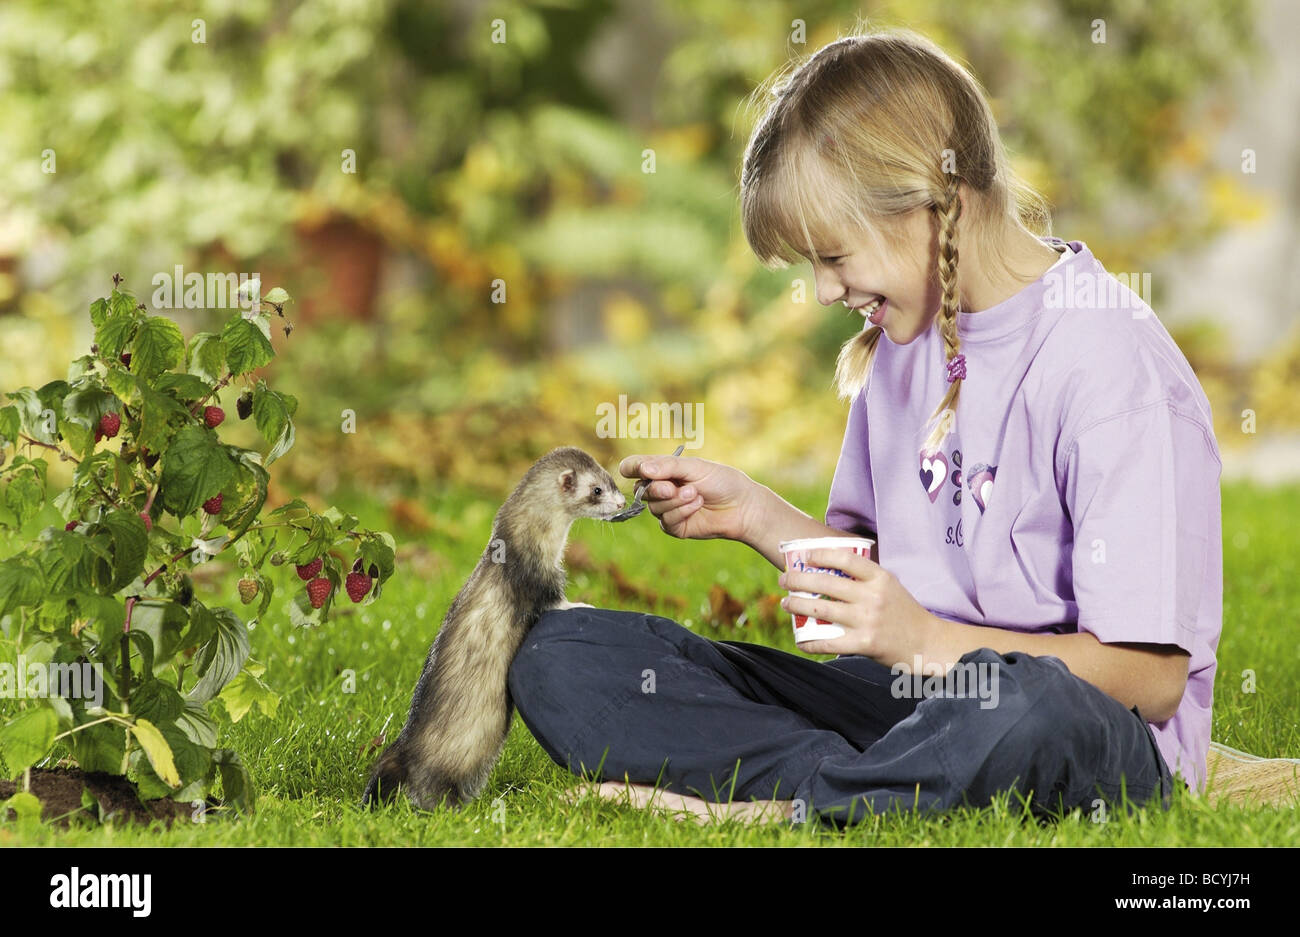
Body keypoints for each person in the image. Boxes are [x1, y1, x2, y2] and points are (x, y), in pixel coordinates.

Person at [507, 27, 1222, 828]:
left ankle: (789, 807)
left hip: (1081, 737)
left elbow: (1153, 678)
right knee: (562, 656)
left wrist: (924, 640)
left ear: (933, 202)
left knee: (1025, 704)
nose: (821, 292)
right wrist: (754, 515)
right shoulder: (908, 339)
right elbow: (877, 594)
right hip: (912, 706)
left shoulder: (1110, 365)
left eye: (834, 257)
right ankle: (873, 789)